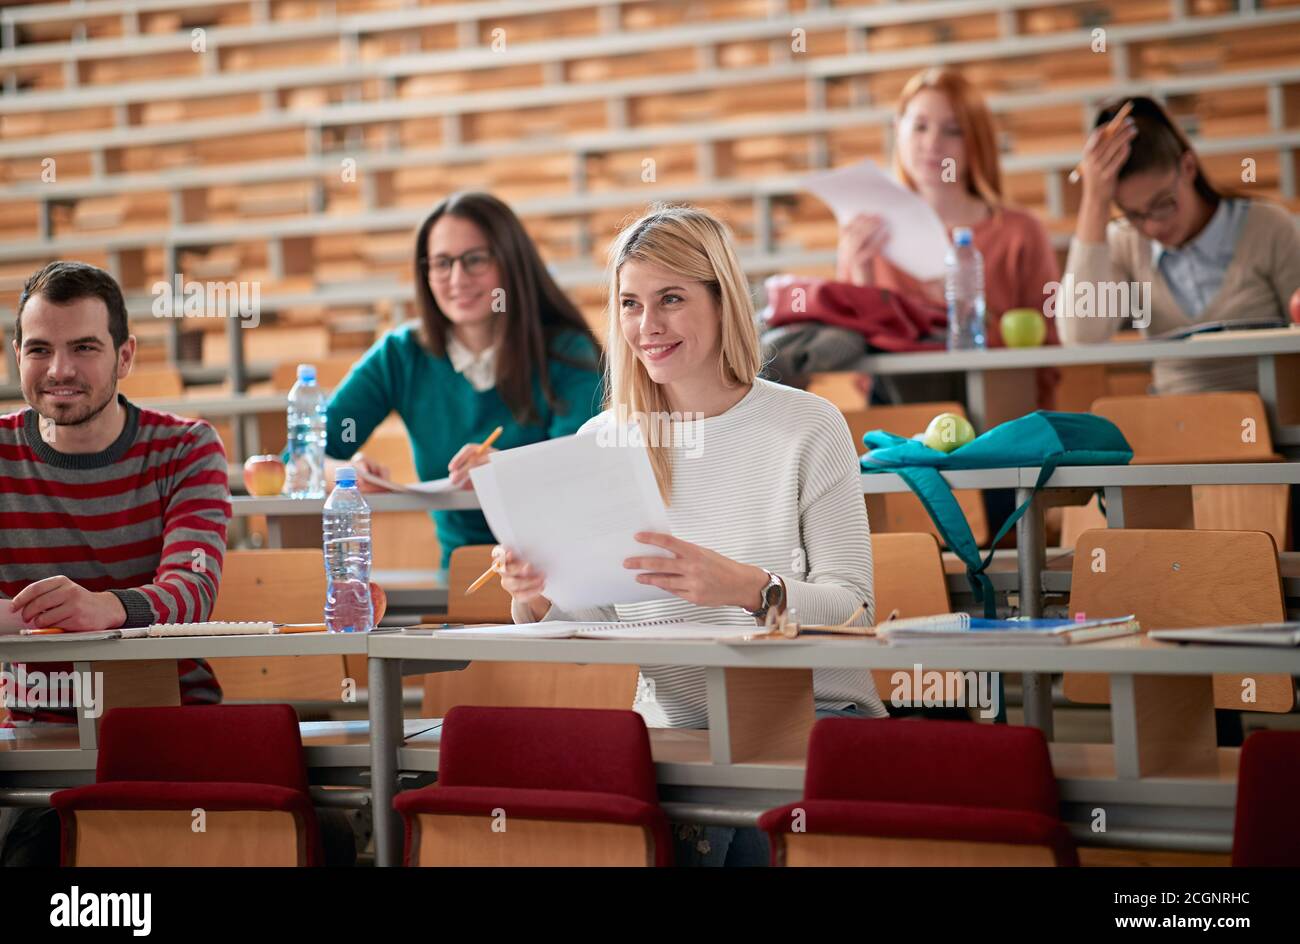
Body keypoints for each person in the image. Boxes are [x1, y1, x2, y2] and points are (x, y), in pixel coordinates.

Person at [495, 205, 883, 866]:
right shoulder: (604, 441)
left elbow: (854, 609)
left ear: (722, 299)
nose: (648, 327)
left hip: (814, 721)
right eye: (630, 304)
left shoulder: (807, 426)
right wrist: (533, 597)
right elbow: (591, 616)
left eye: (670, 299)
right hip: (674, 732)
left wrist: (748, 588)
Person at [0, 261, 230, 864]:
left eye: (84, 348)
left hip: (174, 731)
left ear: (125, 356)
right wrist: (44, 617)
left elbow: (191, 589)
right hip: (41, 743)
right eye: (40, 349)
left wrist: (105, 608)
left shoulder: (186, 446)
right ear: (15, 353)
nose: (60, 371)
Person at [325, 191, 602, 567]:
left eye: (474, 260)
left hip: (556, 576)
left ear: (510, 263)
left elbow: (581, 469)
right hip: (459, 583)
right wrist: (344, 473)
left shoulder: (568, 351)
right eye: (441, 263)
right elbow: (302, 455)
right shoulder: (401, 355)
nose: (457, 278)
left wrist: (503, 469)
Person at [768, 66, 1062, 408]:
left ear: (976, 140)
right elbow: (860, 369)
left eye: (953, 131)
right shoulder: (867, 232)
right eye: (919, 127)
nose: (933, 144)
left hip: (999, 406)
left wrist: (959, 314)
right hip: (903, 414)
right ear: (899, 131)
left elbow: (1045, 354)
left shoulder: (1019, 231)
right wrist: (861, 280)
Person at [1057, 95, 1300, 393]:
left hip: (1272, 428)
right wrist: (1095, 200)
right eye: (1134, 214)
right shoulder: (1125, 241)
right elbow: (1081, 335)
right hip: (1174, 426)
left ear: (1188, 167)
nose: (1152, 226)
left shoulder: (1267, 227)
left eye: (1163, 204)